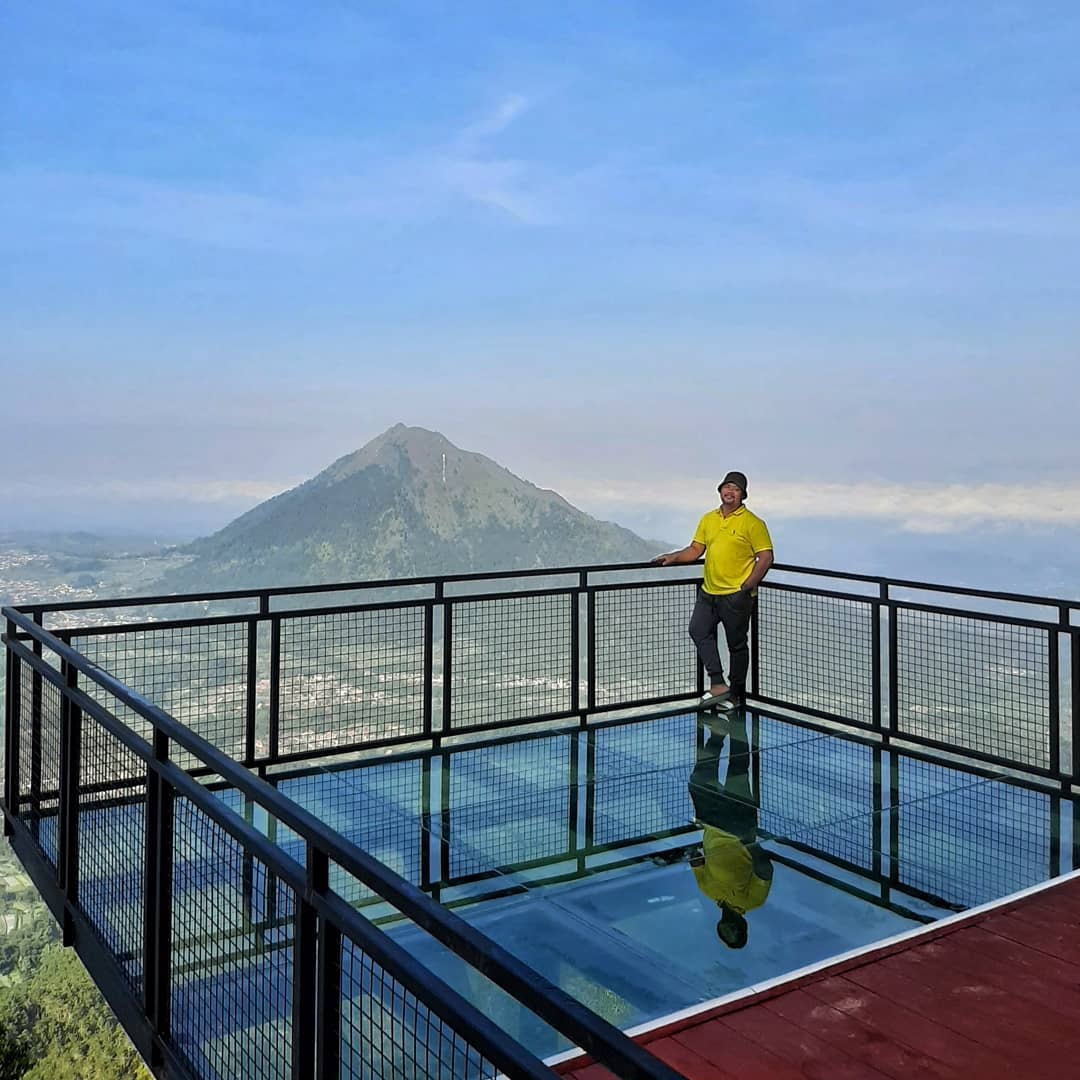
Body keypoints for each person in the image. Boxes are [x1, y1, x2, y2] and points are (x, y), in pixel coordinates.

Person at [652, 471, 773, 708]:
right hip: (709, 592)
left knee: (736, 645)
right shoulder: (709, 519)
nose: (730, 492)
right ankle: (717, 683)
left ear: (742, 495)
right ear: (719, 491)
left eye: (735, 489)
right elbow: (696, 549)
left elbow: (766, 557)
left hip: (736, 595)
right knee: (698, 629)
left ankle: (736, 695)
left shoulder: (753, 523)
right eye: (726, 487)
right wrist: (673, 558)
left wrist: (747, 586)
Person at [687, 712, 773, 948]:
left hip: (711, 821)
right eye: (736, 931)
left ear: (719, 927)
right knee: (738, 766)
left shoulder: (708, 891)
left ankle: (718, 734)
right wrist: (749, 843)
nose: (730, 927)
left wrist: (694, 856)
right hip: (739, 825)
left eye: (726, 932)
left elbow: (697, 863)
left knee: (698, 780)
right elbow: (764, 871)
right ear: (743, 926)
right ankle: (736, 721)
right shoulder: (752, 901)